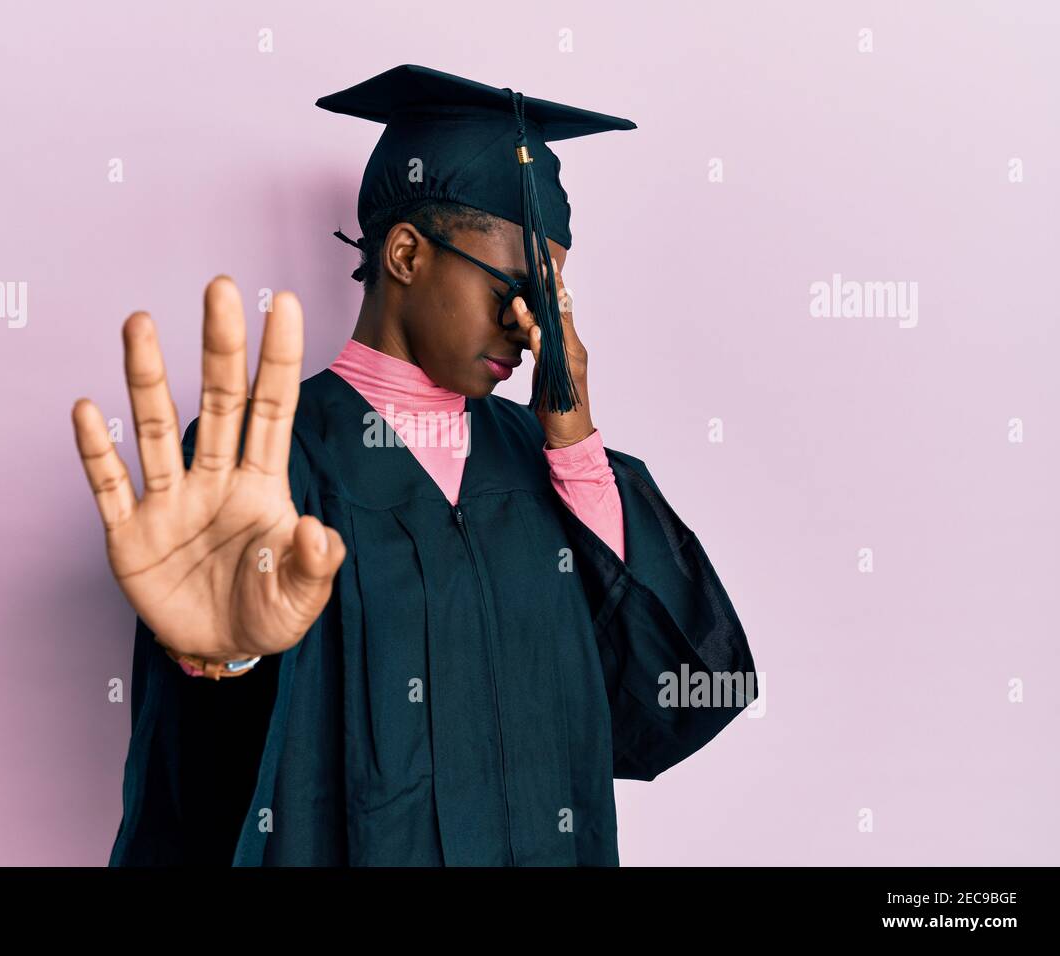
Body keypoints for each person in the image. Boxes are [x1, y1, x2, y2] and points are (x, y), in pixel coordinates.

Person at [73, 64, 758, 866]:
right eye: (514, 282)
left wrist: (576, 452)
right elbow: (201, 785)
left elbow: (676, 695)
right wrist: (223, 659)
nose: (527, 322)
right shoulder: (264, 462)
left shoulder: (553, 467)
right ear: (405, 254)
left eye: (552, 294)